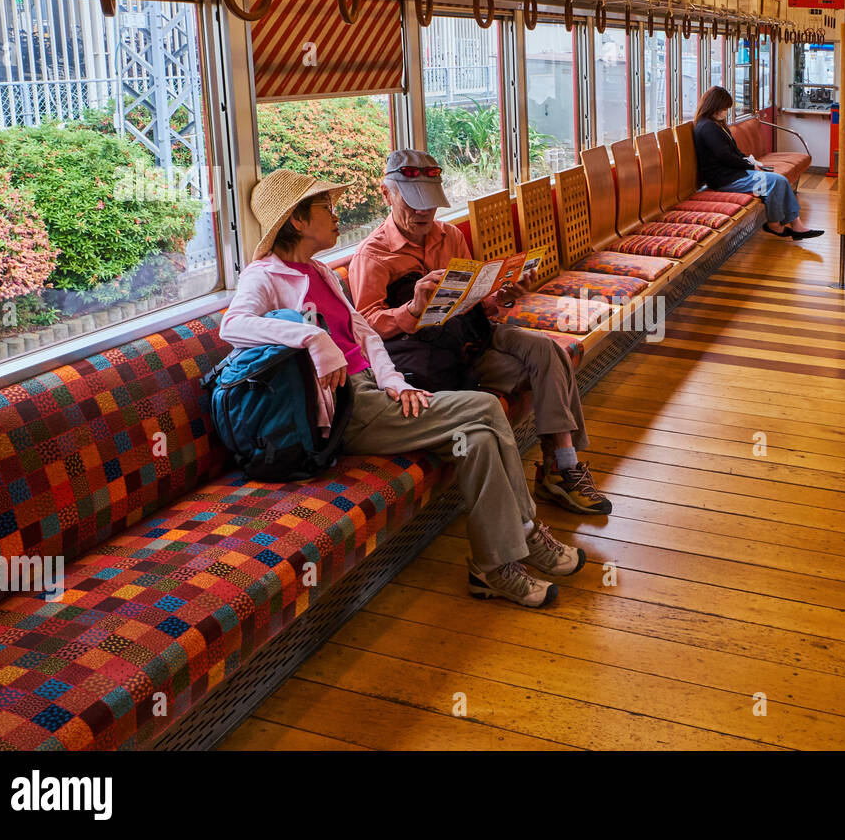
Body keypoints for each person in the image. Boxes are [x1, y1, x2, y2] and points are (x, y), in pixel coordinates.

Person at [219, 167, 585, 609]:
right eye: (326, 208)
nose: (337, 215)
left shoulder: (319, 271)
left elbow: (365, 335)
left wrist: (393, 381)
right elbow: (233, 325)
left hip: (376, 389)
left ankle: (492, 568)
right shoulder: (265, 275)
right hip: (342, 408)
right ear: (297, 220)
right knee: (487, 408)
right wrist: (314, 338)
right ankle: (529, 533)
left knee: (479, 439)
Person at [347, 149, 614, 517]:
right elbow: (365, 327)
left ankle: (564, 466)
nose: (424, 212)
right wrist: (411, 309)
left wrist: (502, 296)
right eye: (413, 201)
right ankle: (558, 472)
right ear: (386, 193)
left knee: (546, 350)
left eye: (431, 202)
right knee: (544, 369)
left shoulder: (450, 235)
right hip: (428, 355)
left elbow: (475, 299)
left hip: (472, 333)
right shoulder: (372, 256)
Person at [692, 86, 824, 240]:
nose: (725, 112)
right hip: (726, 180)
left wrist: (748, 160)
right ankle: (776, 224)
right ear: (715, 106)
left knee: (778, 181)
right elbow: (725, 156)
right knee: (777, 181)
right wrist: (749, 165)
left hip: (733, 175)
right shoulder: (708, 128)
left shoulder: (713, 125)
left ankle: (794, 224)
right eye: (724, 108)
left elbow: (732, 152)